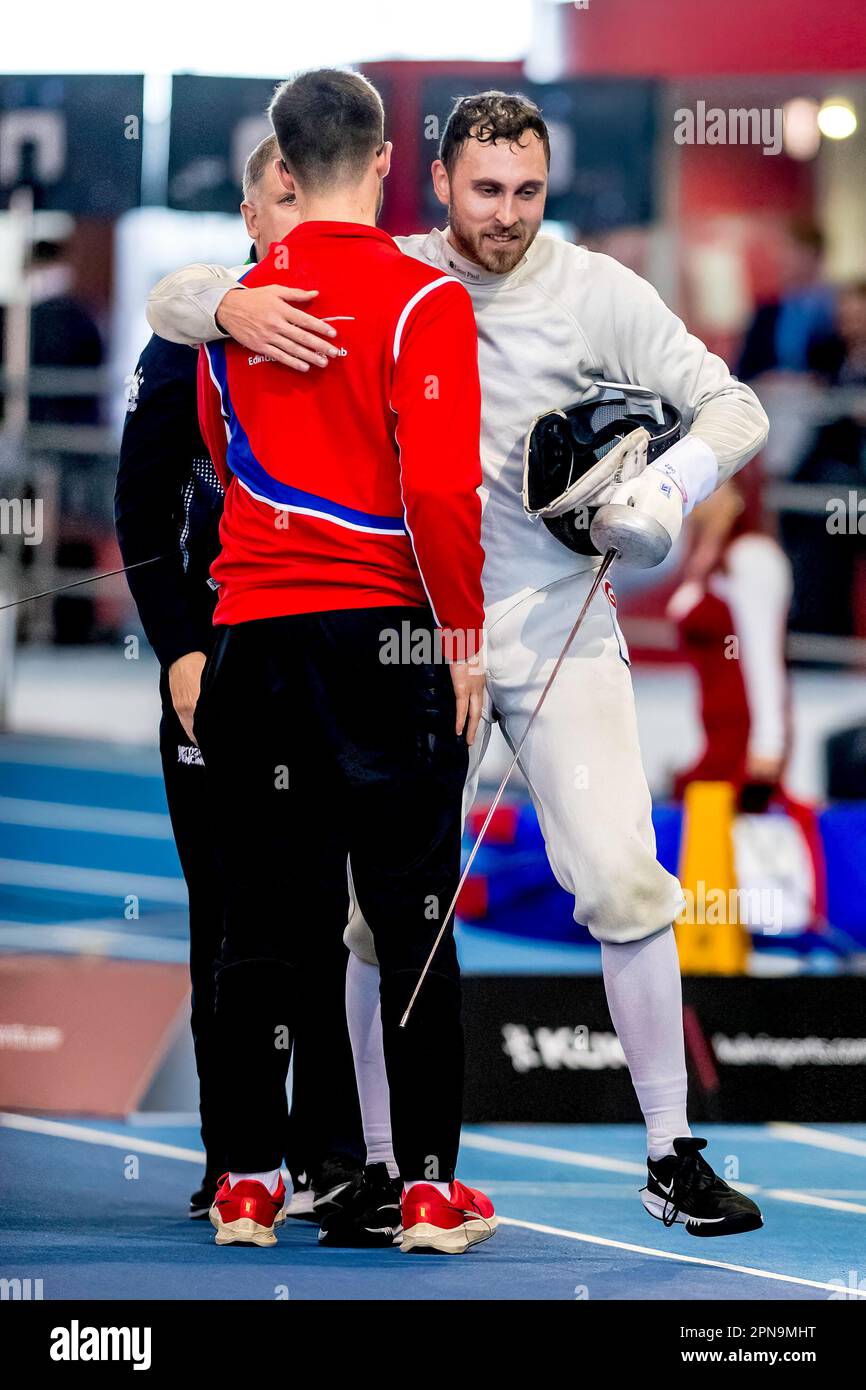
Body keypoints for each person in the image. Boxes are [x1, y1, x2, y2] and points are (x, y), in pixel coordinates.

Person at [148, 88, 769, 1239]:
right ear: (431, 180)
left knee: (626, 881)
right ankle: (379, 1170)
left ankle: (669, 1151)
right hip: (414, 635)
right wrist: (229, 302)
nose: (507, 215)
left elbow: (730, 408)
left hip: (548, 628)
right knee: (382, 922)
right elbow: (172, 304)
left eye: (527, 192)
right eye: (485, 191)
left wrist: (661, 490)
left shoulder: (596, 292)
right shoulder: (392, 272)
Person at [193, 69, 495, 1255]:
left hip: (252, 638)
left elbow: (223, 459)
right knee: (412, 914)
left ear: (278, 167)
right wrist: (460, 635)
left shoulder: (233, 309)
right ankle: (424, 1188)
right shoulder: (425, 299)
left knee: (263, 921)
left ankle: (249, 1180)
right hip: (382, 636)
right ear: (382, 163)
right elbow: (436, 489)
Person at [116, 134, 364, 1222]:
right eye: (279, 197)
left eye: (312, 196)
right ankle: (236, 1156)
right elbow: (139, 510)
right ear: (254, 206)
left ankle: (336, 1154)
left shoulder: (365, 322)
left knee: (333, 914)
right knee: (229, 914)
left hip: (334, 665)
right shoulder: (187, 330)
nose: (293, 215)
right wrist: (176, 644)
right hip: (214, 666)